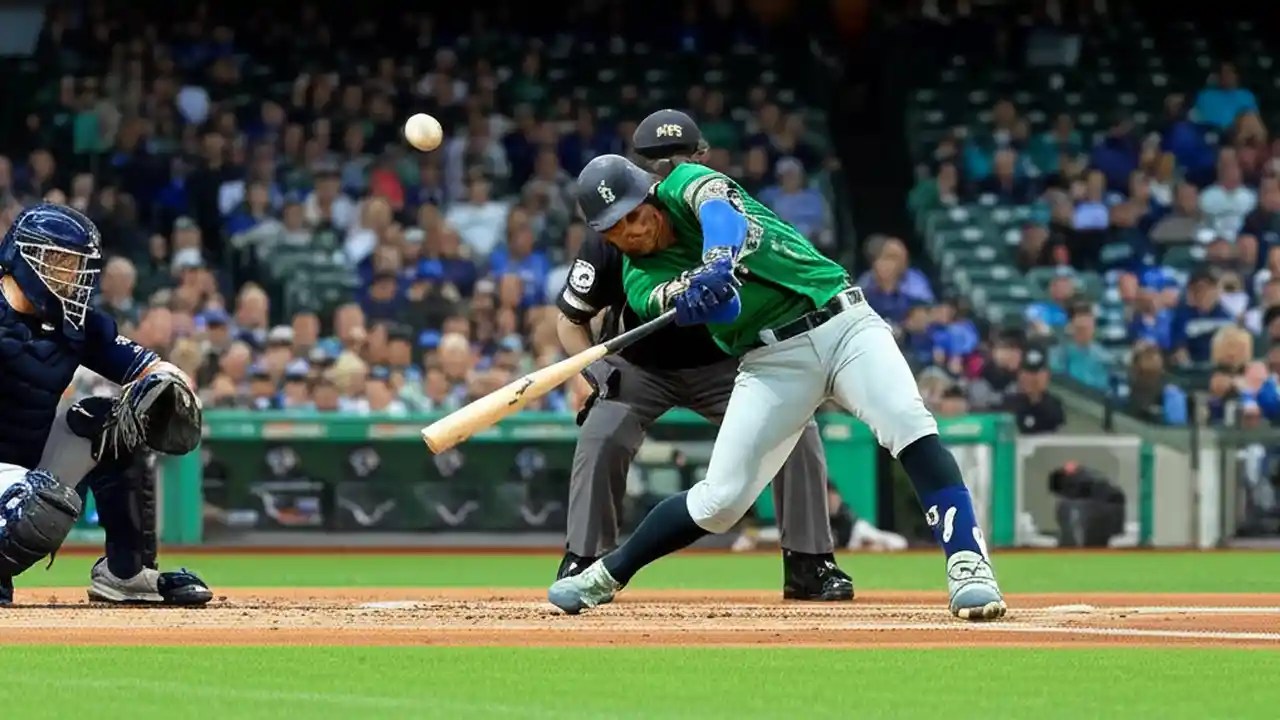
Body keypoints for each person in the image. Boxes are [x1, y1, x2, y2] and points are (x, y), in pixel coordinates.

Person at [548, 155, 1006, 621]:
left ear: (649, 197)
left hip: (843, 322)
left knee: (907, 423)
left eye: (634, 214)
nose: (631, 231)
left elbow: (721, 215)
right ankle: (605, 574)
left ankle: (969, 566)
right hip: (772, 361)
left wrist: (717, 259)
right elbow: (723, 312)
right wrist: (697, 294)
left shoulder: (685, 181)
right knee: (721, 500)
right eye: (614, 228)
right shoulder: (641, 281)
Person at [550, 110, 854, 601]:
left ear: (700, 159)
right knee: (601, 431)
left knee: (797, 433)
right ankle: (583, 561)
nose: (668, 168)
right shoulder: (611, 237)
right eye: (655, 161)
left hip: (728, 363)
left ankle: (810, 562)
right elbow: (569, 319)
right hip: (639, 366)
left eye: (679, 159)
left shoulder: (722, 211)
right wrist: (595, 370)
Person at [0, 204, 211, 606]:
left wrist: (171, 383)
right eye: (60, 262)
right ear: (25, 258)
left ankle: (128, 573)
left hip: (31, 470)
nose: (71, 275)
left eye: (77, 264)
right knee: (30, 506)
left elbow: (149, 367)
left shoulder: (78, 324)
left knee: (116, 419)